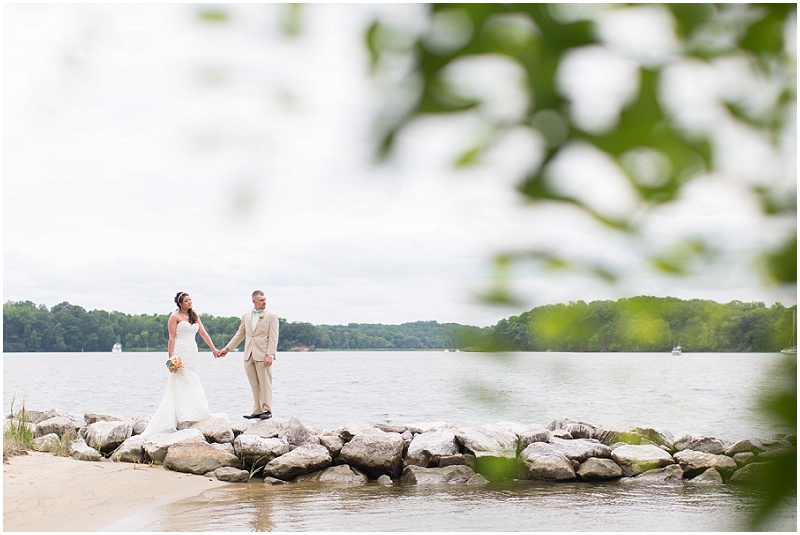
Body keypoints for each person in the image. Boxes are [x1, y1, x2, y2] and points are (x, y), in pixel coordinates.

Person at [140, 292, 221, 437]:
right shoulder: (174, 317)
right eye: (186, 301)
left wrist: (213, 349)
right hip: (180, 350)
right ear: (180, 303)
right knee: (181, 380)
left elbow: (203, 333)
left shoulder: (194, 316)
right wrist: (171, 357)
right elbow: (172, 337)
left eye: (190, 300)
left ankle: (196, 411)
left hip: (192, 351)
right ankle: (183, 416)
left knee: (192, 378)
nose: (190, 302)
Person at [219, 290, 279, 420]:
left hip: (263, 354)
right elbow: (240, 334)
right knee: (254, 383)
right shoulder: (246, 315)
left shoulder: (272, 316)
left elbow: (273, 337)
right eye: (262, 300)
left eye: (265, 299)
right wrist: (227, 348)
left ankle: (267, 410)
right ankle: (257, 410)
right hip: (248, 354)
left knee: (265, 383)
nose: (264, 302)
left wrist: (270, 354)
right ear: (254, 301)